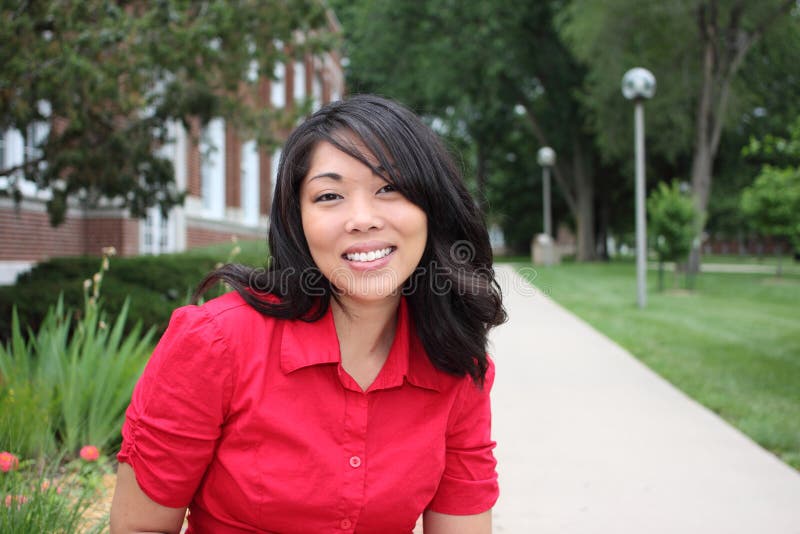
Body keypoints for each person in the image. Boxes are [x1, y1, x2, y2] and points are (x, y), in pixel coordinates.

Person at [110, 94, 506, 533]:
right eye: (330, 195)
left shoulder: (455, 363)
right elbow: (140, 527)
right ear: (297, 219)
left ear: (433, 206)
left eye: (389, 188)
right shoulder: (215, 342)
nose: (362, 219)